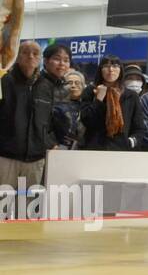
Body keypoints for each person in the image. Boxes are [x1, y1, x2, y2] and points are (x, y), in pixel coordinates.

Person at [0, 41, 51, 187]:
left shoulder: (45, 86)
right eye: (25, 52)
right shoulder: (4, 81)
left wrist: (47, 142)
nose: (30, 56)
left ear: (41, 58)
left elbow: (49, 120)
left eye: (35, 53)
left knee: (30, 205)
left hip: (35, 159)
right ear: (17, 56)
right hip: (6, 157)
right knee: (3, 204)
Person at [80, 55, 148, 151]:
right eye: (106, 66)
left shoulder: (130, 95)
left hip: (121, 151)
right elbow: (86, 120)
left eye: (115, 66)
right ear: (100, 70)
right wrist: (98, 100)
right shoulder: (91, 91)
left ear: (120, 70)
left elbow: (139, 128)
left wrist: (130, 142)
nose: (111, 69)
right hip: (94, 149)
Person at [52, 68, 85, 149]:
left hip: (84, 150)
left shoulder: (88, 106)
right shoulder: (55, 106)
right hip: (60, 148)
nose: (73, 86)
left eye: (77, 83)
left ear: (83, 86)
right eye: (69, 83)